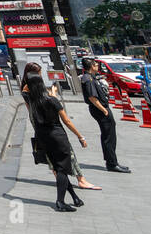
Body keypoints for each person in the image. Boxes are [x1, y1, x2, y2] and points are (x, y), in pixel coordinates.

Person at [23, 62, 99, 192]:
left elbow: (32, 110)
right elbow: (65, 119)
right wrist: (53, 96)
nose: (41, 76)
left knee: (51, 155)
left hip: (39, 126)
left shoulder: (26, 90)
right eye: (39, 73)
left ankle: (63, 178)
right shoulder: (42, 95)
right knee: (67, 152)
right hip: (53, 127)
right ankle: (80, 179)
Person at [80, 57, 130, 173]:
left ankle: (112, 161)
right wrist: (103, 109)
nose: (97, 67)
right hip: (99, 109)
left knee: (110, 134)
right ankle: (112, 163)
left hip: (101, 108)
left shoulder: (91, 77)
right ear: (92, 66)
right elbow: (92, 97)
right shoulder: (88, 79)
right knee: (108, 136)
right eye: (96, 65)